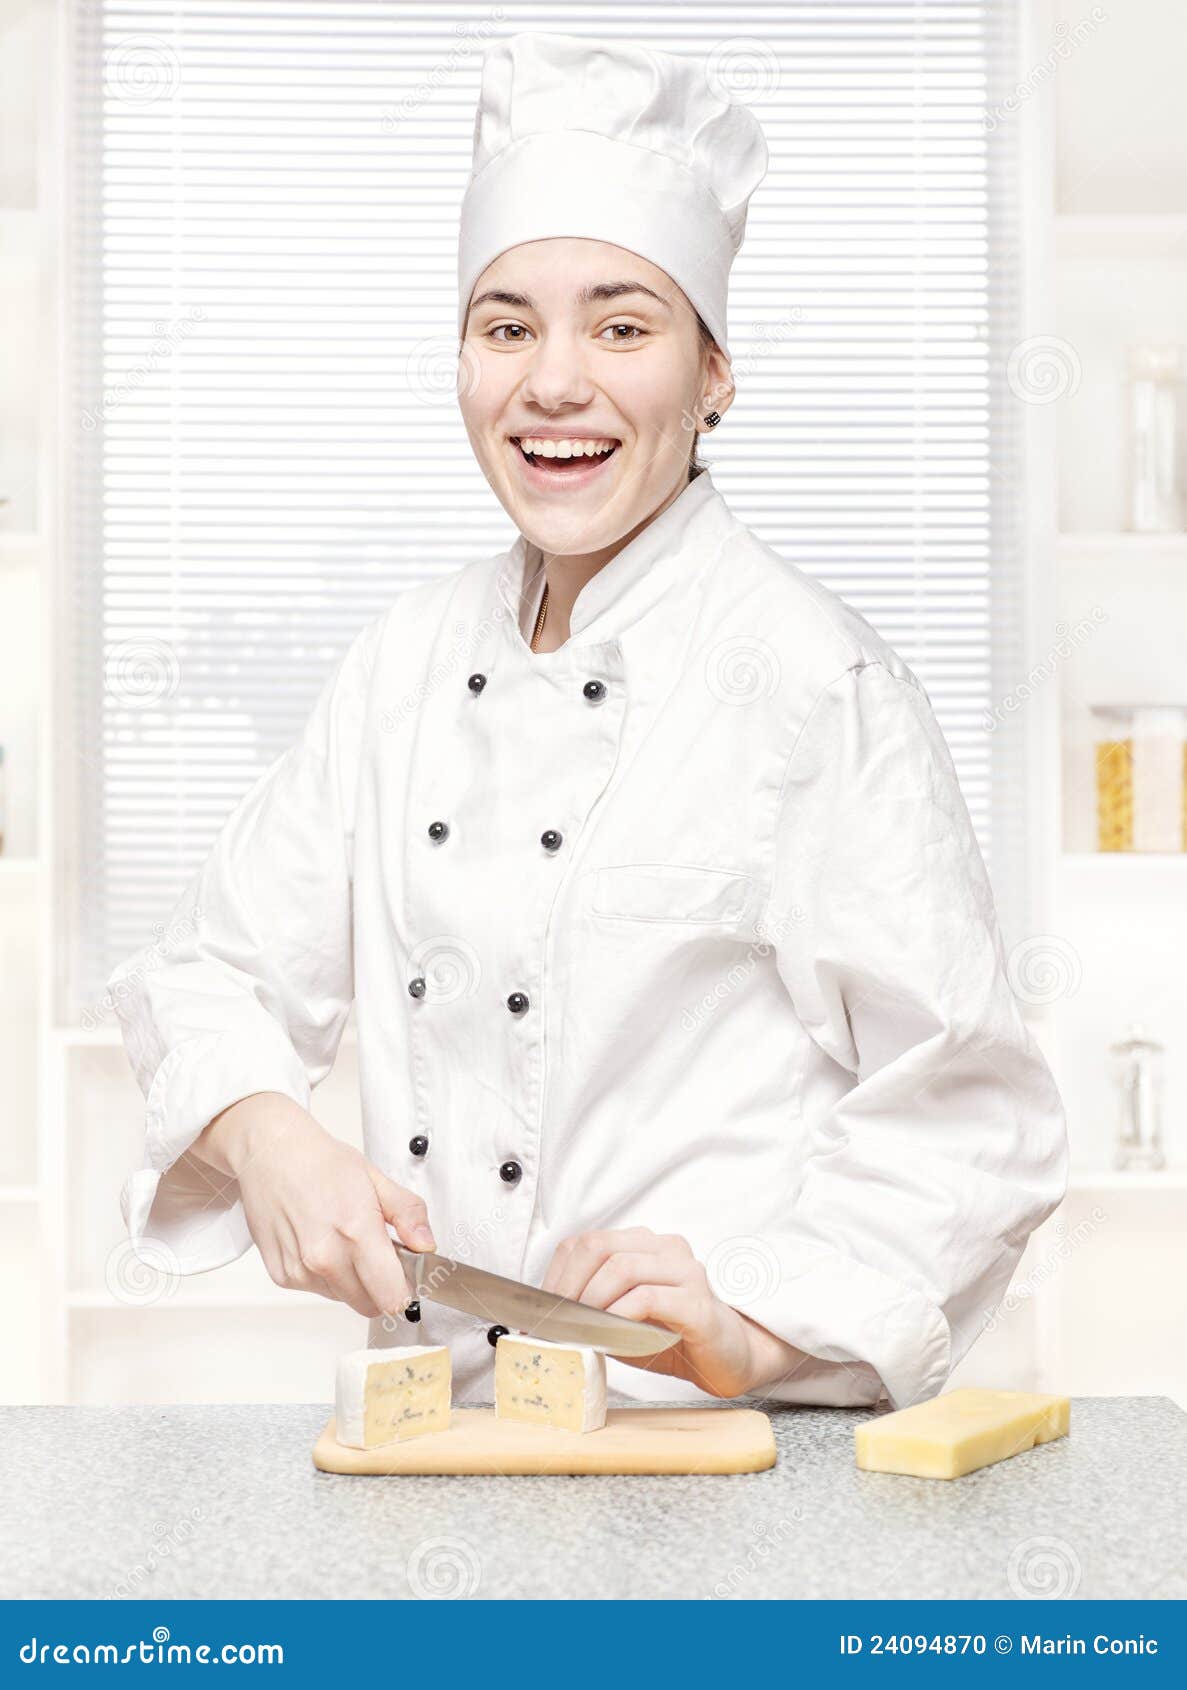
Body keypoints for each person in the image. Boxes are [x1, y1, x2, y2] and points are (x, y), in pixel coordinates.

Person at [110, 31, 1067, 1412]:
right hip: (441, 1448)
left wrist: (754, 1324)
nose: (554, 382)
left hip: (714, 1473)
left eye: (622, 324)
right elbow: (210, 970)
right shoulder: (402, 667)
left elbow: (973, 1105)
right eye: (507, 326)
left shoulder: (813, 682)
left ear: (715, 373)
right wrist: (264, 1132)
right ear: (461, 364)